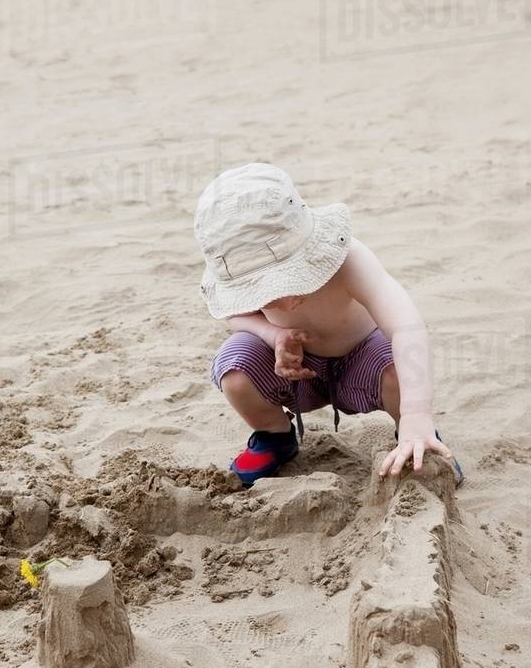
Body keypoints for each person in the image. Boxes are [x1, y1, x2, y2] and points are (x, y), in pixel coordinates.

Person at [195, 162, 463, 487]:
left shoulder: (347, 258)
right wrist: (273, 333)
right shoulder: (244, 281)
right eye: (260, 293)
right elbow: (233, 313)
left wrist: (417, 415)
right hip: (296, 371)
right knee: (234, 369)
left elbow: (407, 326)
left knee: (397, 369)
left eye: (282, 285)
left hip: (361, 363)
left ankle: (416, 439)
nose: (277, 303)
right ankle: (274, 436)